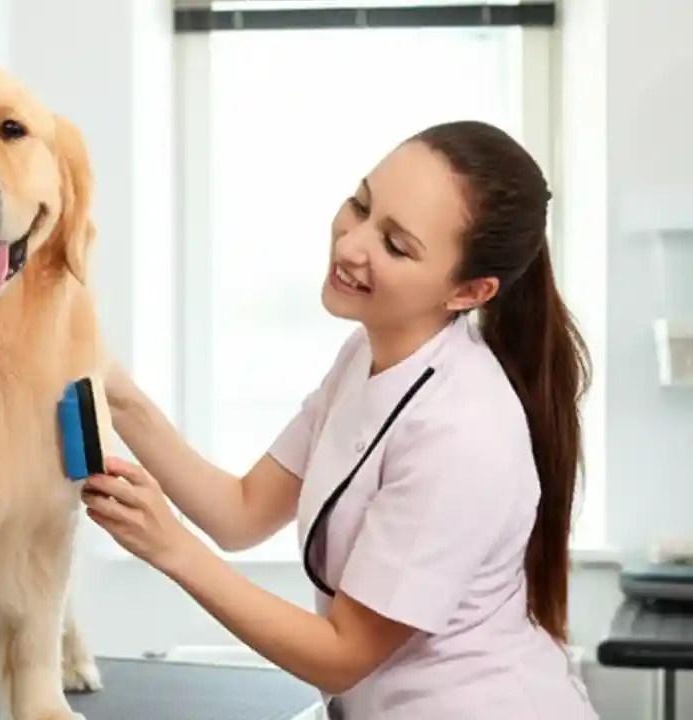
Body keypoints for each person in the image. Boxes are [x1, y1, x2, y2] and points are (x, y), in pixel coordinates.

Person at [80, 120, 599, 718]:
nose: (351, 245)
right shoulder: (365, 357)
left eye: (396, 245)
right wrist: (109, 387)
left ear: (469, 292)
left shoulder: (464, 432)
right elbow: (241, 512)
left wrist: (168, 545)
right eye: (360, 204)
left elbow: (342, 655)